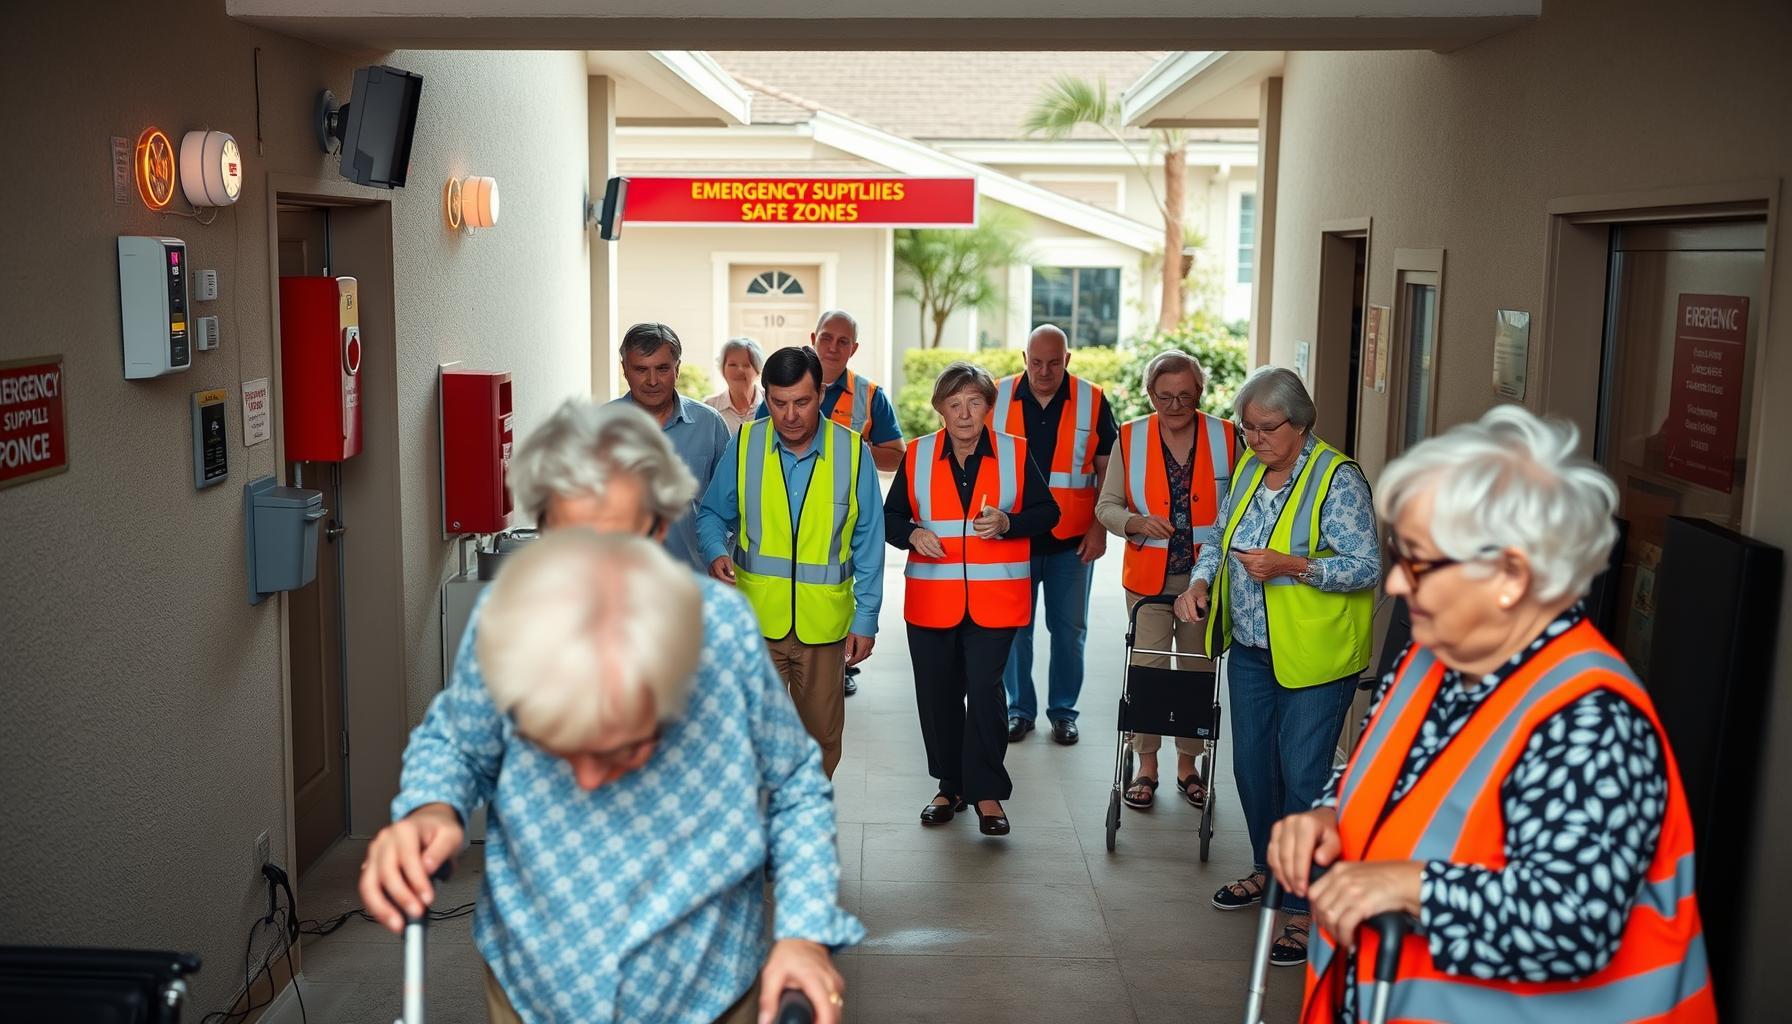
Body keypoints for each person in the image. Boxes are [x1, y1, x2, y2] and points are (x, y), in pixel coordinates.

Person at [361, 405, 863, 1024]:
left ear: (657, 529)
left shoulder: (723, 630)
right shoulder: (507, 617)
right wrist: (433, 807)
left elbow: (795, 784)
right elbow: (457, 743)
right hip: (536, 979)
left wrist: (804, 931)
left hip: (704, 985)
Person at [1267, 405, 1715, 1022]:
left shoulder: (1591, 719)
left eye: (1418, 562)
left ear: (1509, 575)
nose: (1395, 585)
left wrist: (1410, 884)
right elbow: (1386, 776)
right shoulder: (1429, 657)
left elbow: (1573, 924)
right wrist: (1328, 815)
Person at [1173, 366, 1380, 966]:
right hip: (1252, 648)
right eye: (1247, 429)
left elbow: (1367, 565)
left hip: (1317, 657)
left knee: (1302, 774)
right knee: (1252, 768)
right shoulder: (1249, 468)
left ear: (1301, 424)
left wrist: (1293, 566)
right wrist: (1200, 582)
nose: (1255, 439)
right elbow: (1219, 536)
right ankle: (1269, 870)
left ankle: (1304, 904)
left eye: (1267, 428)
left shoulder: (1337, 479)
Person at [885, 362, 1059, 836]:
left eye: (974, 403)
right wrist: (912, 534)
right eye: (954, 404)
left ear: (989, 407)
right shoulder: (919, 454)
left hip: (995, 599)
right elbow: (890, 518)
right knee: (938, 695)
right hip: (931, 601)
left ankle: (986, 793)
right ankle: (949, 786)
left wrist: (1008, 522)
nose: (964, 414)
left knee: (984, 690)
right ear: (940, 408)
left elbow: (1048, 512)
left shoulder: (1015, 452)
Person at [698, 346, 885, 778]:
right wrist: (715, 551)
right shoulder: (746, 445)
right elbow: (711, 514)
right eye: (779, 402)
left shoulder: (853, 452)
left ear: (820, 394)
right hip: (757, 621)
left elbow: (869, 542)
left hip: (824, 626)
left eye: (802, 402)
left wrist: (866, 618)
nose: (790, 415)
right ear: (767, 395)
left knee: (821, 739)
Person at [1095, 350, 1236, 810]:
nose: (1175, 405)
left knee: (1197, 670)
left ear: (1200, 393)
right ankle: (1147, 765)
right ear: (1150, 395)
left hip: (1203, 581)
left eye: (1185, 396)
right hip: (1148, 581)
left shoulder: (1227, 436)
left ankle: (1188, 766)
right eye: (1164, 396)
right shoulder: (1130, 437)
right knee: (1148, 671)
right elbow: (1106, 506)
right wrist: (1134, 522)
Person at [754, 310, 906, 698]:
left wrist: (852, 451)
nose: (833, 347)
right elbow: (760, 447)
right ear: (813, 337)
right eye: (826, 338)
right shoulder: (781, 387)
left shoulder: (871, 397)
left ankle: (840, 661)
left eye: (843, 341)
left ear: (854, 348)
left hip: (839, 514)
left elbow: (896, 455)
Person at [989, 324, 1118, 747]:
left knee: (1069, 633)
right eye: (1037, 362)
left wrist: (1099, 528)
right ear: (1024, 358)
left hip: (1072, 543)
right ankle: (1019, 710)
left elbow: (1107, 469)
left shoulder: (1092, 400)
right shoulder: (997, 396)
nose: (1044, 372)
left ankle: (1063, 712)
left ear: (1068, 360)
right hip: (1014, 540)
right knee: (1014, 630)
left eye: (1054, 363)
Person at [609, 321, 731, 571]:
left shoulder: (710, 424)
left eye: (662, 368)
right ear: (625, 370)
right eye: (641, 369)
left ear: (677, 368)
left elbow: (730, 504)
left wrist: (719, 553)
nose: (652, 380)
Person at [705, 336, 765, 434]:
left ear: (757, 370)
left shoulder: (771, 403)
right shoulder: (709, 407)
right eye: (732, 365)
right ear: (722, 369)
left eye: (746, 365)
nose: (739, 370)